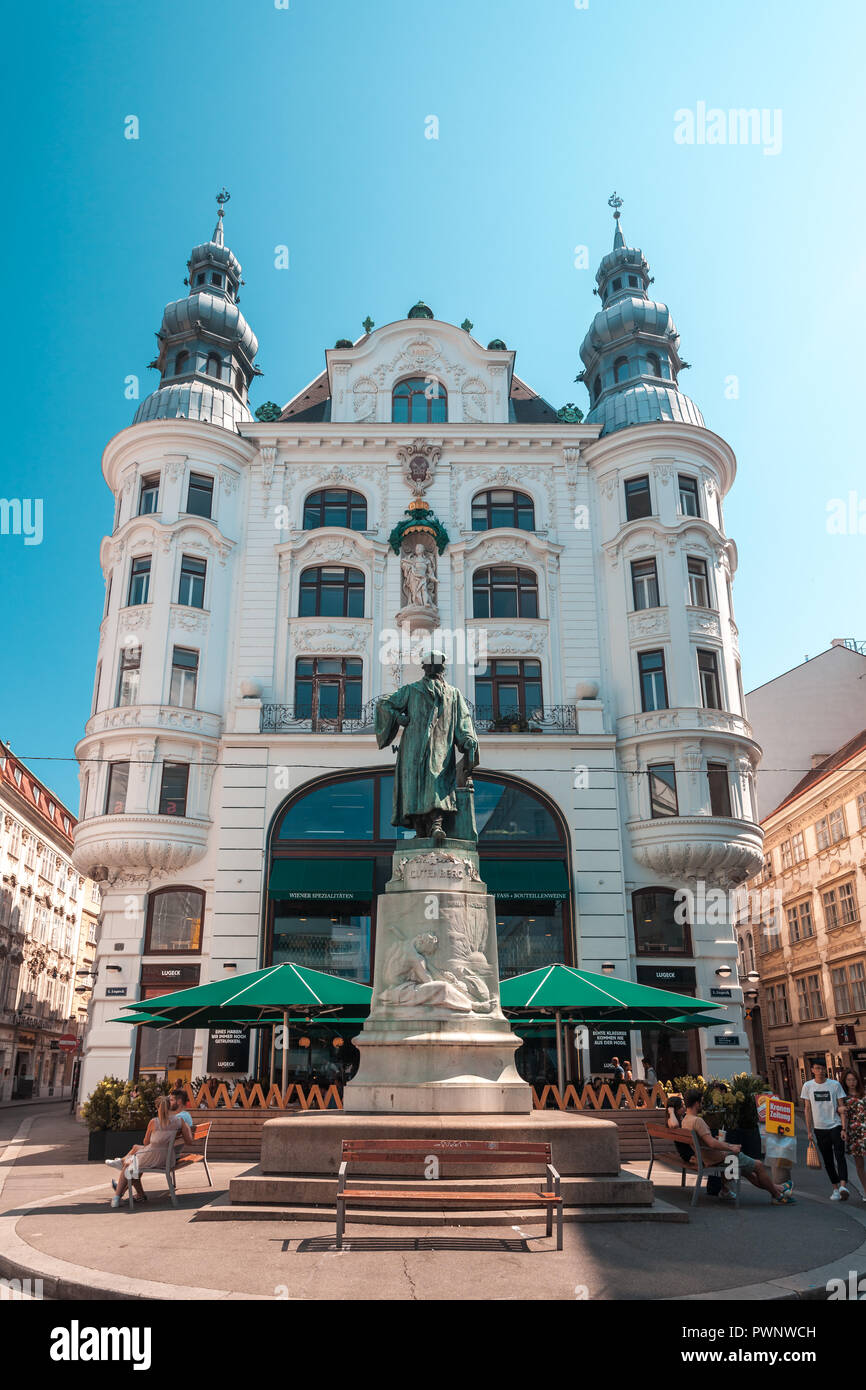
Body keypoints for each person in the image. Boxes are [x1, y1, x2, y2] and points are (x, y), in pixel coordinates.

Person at [681, 1089, 794, 1204]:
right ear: (696, 1103)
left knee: (747, 1171)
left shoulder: (685, 1120)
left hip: (707, 1157)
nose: (702, 1105)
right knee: (758, 1165)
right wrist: (731, 1147)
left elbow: (705, 1142)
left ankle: (777, 1188)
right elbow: (712, 1143)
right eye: (701, 1102)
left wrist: (724, 1144)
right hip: (718, 1158)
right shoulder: (697, 1121)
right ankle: (777, 1195)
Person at [106, 1097, 193, 1209]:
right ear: (169, 1107)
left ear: (157, 1107)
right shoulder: (179, 1121)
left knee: (129, 1164)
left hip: (152, 1156)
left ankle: (117, 1198)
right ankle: (140, 1194)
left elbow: (146, 1142)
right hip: (168, 1159)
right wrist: (187, 1128)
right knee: (136, 1162)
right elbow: (189, 1141)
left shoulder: (153, 1122)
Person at [801, 1061, 849, 1200]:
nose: (820, 1071)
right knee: (828, 1159)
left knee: (840, 1155)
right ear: (812, 1070)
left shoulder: (835, 1085)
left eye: (822, 1068)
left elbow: (842, 1107)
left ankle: (843, 1186)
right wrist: (809, 1130)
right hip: (819, 1128)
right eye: (817, 1068)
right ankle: (835, 1188)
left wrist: (844, 1128)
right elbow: (807, 1109)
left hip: (835, 1125)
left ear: (825, 1070)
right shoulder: (808, 1086)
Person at [840, 1067, 865, 1199]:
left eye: (854, 1079)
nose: (852, 1082)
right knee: (860, 1165)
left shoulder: (864, 1094)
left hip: (865, 1131)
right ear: (845, 1081)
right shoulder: (843, 1098)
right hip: (854, 1134)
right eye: (849, 1080)